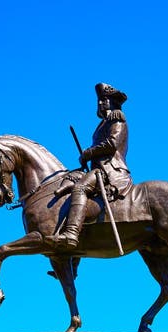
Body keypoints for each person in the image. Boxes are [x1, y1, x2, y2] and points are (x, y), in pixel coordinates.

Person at [55, 83, 132, 249]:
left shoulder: (116, 118)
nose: (100, 103)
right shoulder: (104, 123)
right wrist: (85, 159)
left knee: (80, 188)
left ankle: (71, 234)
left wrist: (89, 153)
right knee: (71, 177)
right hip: (100, 168)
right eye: (99, 100)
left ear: (112, 102)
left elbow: (112, 143)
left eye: (104, 100)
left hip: (110, 169)